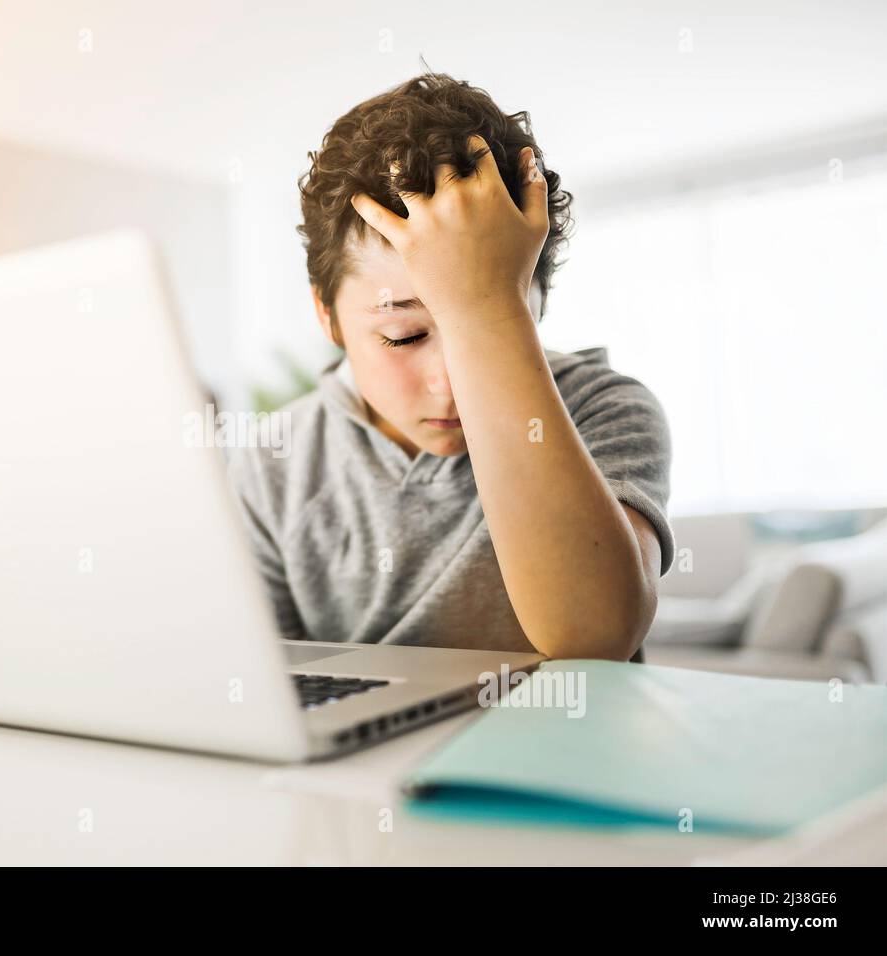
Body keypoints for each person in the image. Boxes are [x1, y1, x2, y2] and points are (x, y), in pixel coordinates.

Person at [225, 71, 674, 660]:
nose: (449, 384)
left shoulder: (602, 408)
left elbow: (592, 637)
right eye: (404, 335)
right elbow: (270, 676)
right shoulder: (275, 461)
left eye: (504, 318)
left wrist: (488, 309)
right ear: (327, 315)